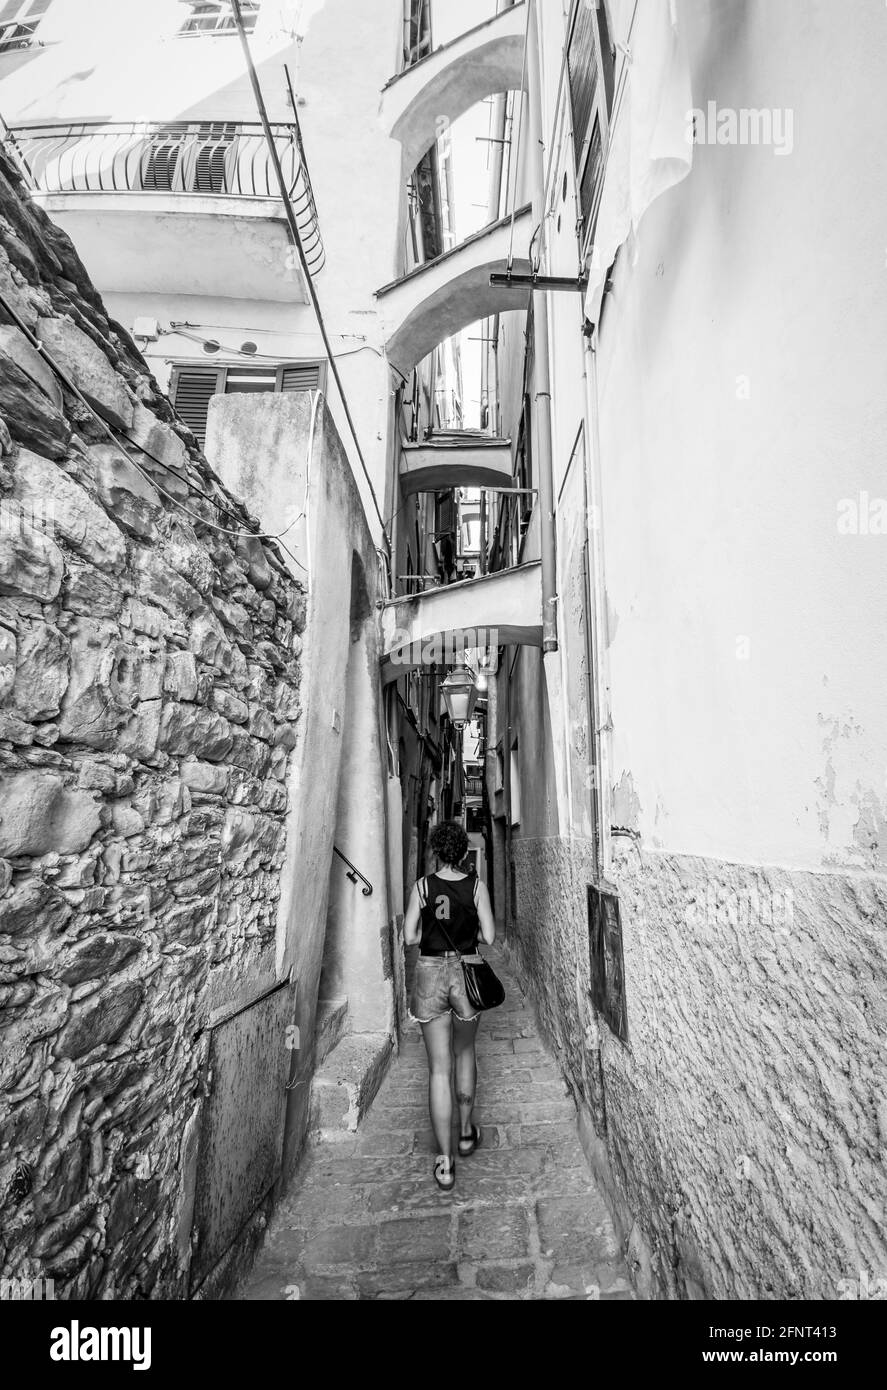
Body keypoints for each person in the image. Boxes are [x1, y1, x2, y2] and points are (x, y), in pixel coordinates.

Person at [402, 821, 496, 1191]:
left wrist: (432, 933)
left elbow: (410, 937)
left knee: (438, 1069)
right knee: (465, 1052)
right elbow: (489, 936)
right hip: (466, 971)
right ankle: (466, 1133)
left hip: (429, 972)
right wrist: (468, 933)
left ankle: (444, 1161)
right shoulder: (476, 886)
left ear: (437, 851)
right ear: (461, 852)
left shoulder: (423, 887)